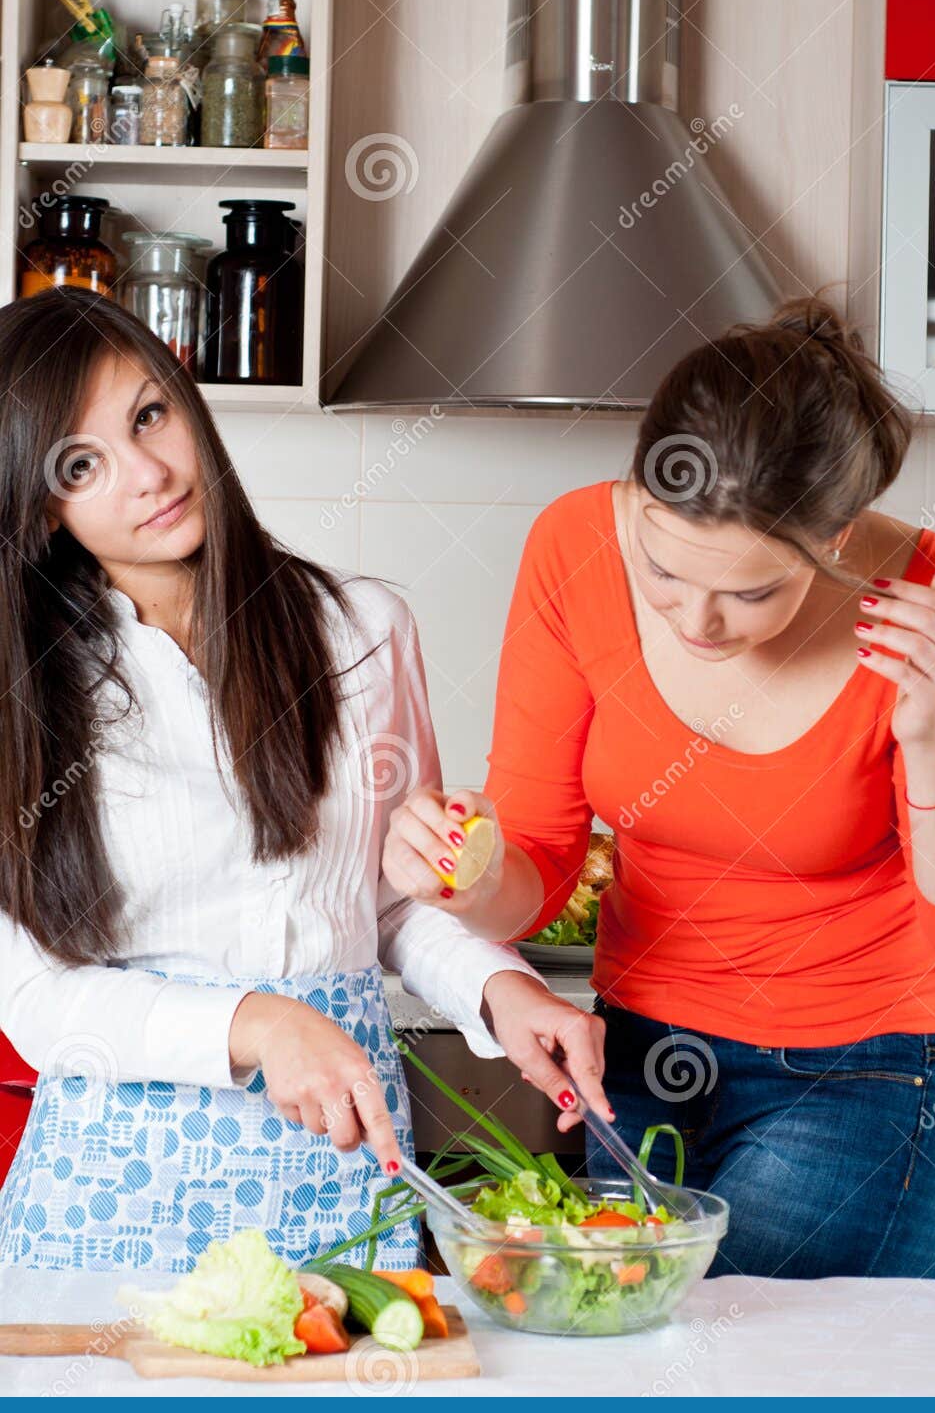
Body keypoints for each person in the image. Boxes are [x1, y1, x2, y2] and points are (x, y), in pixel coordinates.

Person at [383, 297, 935, 1279]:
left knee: (752, 1382)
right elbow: (535, 862)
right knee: (644, 1368)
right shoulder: (575, 548)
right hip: (642, 1048)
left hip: (863, 1069)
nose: (696, 618)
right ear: (638, 497)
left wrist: (930, 739)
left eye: (751, 593)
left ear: (838, 539)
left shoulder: (923, 602)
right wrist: (460, 874)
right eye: (662, 568)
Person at [0, 287, 605, 1274]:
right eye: (83, 461)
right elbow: (31, 994)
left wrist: (503, 991)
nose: (149, 472)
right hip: (107, 1199)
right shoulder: (23, 697)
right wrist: (255, 1023)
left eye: (150, 414)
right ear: (39, 499)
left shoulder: (362, 632)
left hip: (334, 1167)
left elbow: (392, 900)